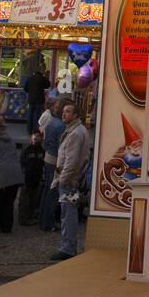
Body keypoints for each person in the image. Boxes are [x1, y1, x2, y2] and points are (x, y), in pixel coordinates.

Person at [50, 103, 90, 261]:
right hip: (72, 177)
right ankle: (68, 245)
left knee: (68, 213)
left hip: (69, 179)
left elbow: (72, 160)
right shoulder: (76, 131)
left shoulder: (75, 133)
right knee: (68, 212)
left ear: (75, 115)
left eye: (68, 112)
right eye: (63, 111)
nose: (64, 114)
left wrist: (64, 179)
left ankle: (68, 247)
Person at [39, 99, 66, 232]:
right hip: (55, 159)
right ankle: (48, 222)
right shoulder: (60, 126)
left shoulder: (51, 123)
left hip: (49, 157)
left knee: (47, 189)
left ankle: (43, 218)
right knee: (52, 191)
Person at [18, 129, 45, 225]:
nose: (36, 138)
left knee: (34, 200)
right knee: (25, 199)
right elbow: (22, 164)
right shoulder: (27, 150)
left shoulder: (42, 151)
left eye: (38, 136)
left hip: (37, 179)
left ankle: (31, 216)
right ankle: (23, 218)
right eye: (35, 135)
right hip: (27, 179)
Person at [23, 64, 50, 136]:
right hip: (39, 99)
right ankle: (36, 130)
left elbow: (25, 88)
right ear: (42, 70)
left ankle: (29, 130)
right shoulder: (42, 78)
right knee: (38, 116)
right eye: (44, 70)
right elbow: (48, 85)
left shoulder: (30, 78)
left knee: (30, 115)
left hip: (31, 99)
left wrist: (31, 92)